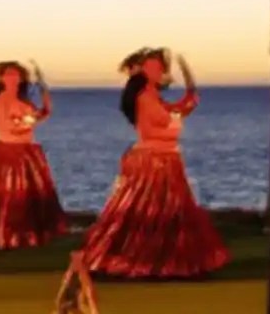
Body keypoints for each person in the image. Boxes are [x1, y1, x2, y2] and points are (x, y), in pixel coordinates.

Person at [81, 48, 228, 278]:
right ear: (143, 71)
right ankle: (135, 259)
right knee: (147, 212)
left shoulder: (153, 96)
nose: (159, 71)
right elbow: (167, 119)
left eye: (160, 67)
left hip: (166, 158)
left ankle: (169, 260)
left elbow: (178, 111)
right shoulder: (145, 97)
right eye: (154, 67)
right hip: (153, 161)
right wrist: (177, 117)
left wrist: (189, 92)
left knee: (170, 213)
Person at [0, 61, 66, 250]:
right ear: (1, 78)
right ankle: (0, 232)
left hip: (27, 150)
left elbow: (43, 114)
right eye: (8, 75)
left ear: (22, 79)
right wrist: (25, 123)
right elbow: (7, 127)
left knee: (32, 194)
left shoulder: (25, 102)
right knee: (9, 194)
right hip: (9, 152)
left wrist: (45, 93)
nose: (12, 78)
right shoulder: (1, 100)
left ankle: (28, 235)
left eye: (16, 75)